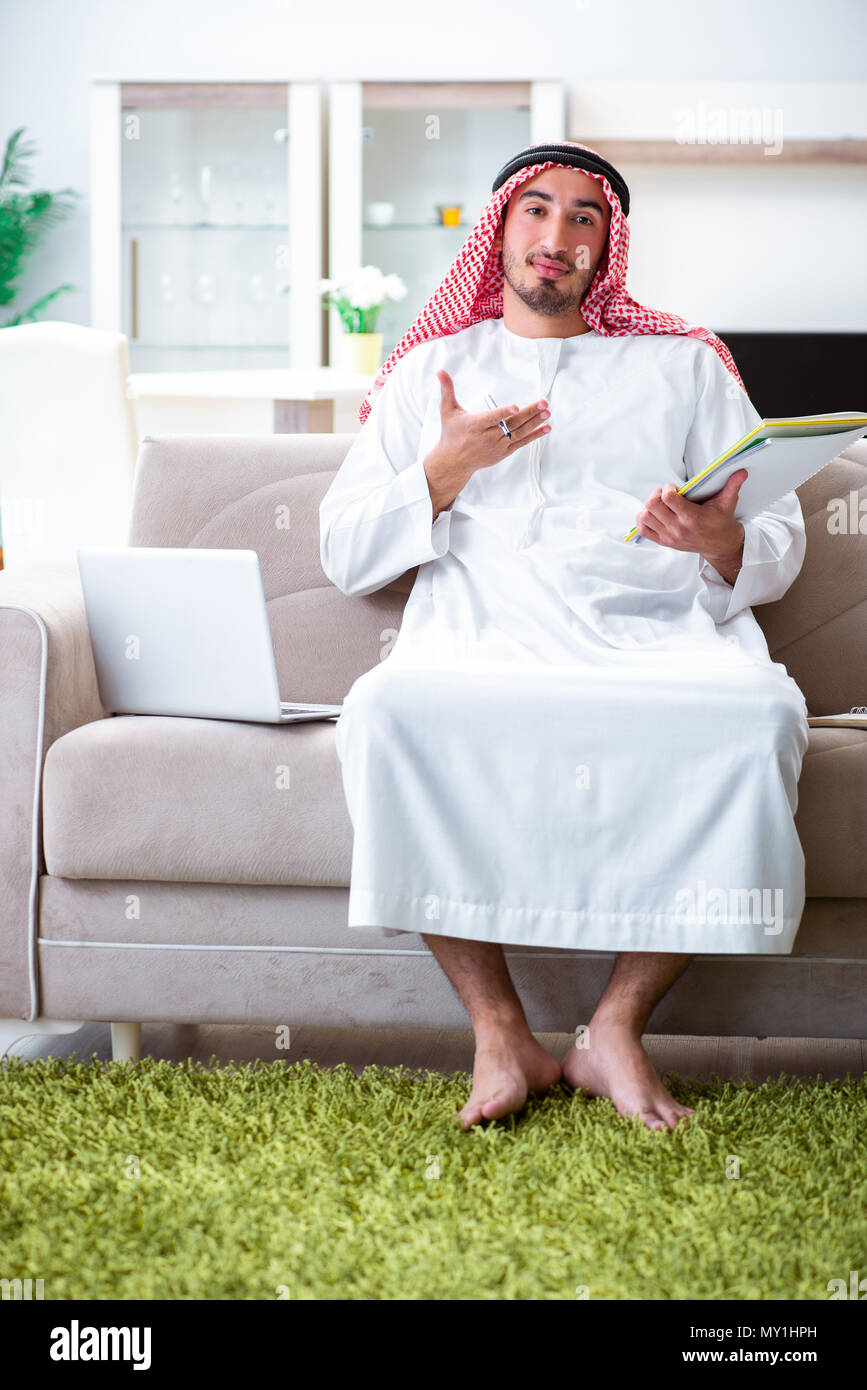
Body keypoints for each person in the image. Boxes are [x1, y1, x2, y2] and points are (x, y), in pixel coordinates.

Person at [319, 141, 809, 1134]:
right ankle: (500, 1032)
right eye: (536, 210)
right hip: (483, 625)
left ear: (608, 248)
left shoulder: (682, 364)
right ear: (499, 228)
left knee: (760, 714)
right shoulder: (432, 370)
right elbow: (342, 550)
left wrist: (722, 540)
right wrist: (441, 473)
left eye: (583, 218)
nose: (557, 236)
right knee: (386, 709)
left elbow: (779, 531)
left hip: (656, 630)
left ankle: (612, 1029)